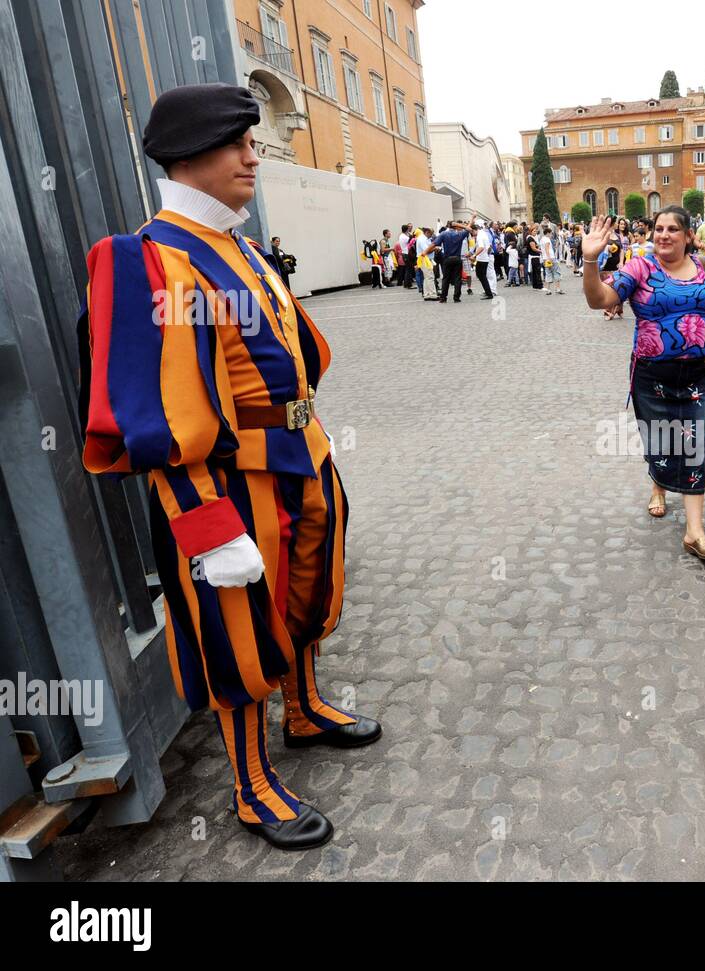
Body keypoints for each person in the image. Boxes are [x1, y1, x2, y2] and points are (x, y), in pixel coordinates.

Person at [78, 83, 382, 851]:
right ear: (189, 156)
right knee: (232, 627)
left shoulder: (239, 245)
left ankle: (305, 708)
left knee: (310, 590)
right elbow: (155, 417)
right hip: (225, 482)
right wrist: (208, 527)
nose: (255, 155)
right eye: (238, 143)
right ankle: (249, 785)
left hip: (297, 455)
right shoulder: (146, 258)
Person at [582, 206, 705, 559]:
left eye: (672, 229)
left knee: (695, 444)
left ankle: (694, 531)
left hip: (699, 373)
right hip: (653, 376)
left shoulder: (704, 267)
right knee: (664, 443)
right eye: (658, 228)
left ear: (687, 236)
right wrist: (590, 262)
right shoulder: (640, 266)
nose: (664, 235)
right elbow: (599, 301)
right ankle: (659, 486)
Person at [433, 220, 469, 302]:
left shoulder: (443, 234)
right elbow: (468, 229)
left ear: (448, 226)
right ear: (456, 226)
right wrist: (472, 219)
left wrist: (425, 252)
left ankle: (443, 297)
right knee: (457, 278)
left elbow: (435, 244)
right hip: (457, 258)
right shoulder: (460, 234)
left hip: (447, 259)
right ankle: (456, 297)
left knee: (446, 278)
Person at [472, 219, 496, 300]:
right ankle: (488, 292)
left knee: (481, 276)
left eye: (472, 232)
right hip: (484, 258)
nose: (472, 234)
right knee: (482, 276)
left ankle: (489, 293)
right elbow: (489, 246)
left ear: (476, 229)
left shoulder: (480, 236)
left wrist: (474, 255)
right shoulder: (483, 233)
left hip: (482, 259)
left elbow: (481, 247)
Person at [540, 226, 564, 294]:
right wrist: (549, 257)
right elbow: (547, 249)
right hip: (550, 258)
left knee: (548, 273)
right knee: (557, 272)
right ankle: (558, 289)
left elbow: (543, 249)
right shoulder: (547, 239)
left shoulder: (542, 239)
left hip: (545, 258)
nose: (551, 235)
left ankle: (548, 290)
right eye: (551, 233)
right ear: (548, 233)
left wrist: (546, 257)